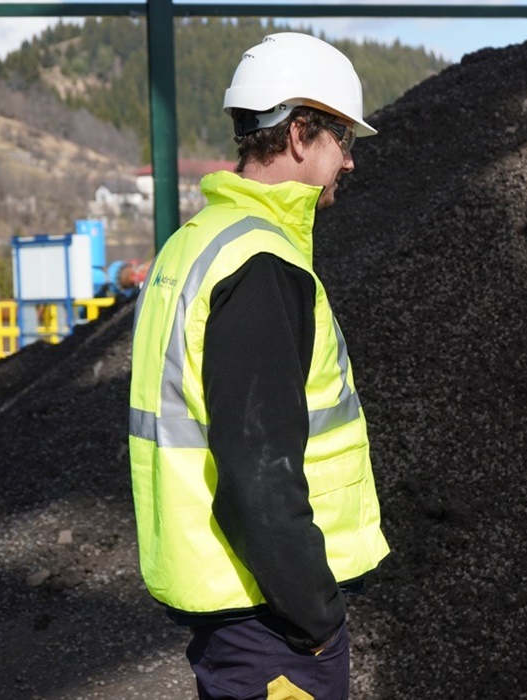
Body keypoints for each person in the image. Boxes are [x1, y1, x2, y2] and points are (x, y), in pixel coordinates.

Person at [128, 32, 389, 700]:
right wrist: (316, 617)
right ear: (299, 133)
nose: (350, 160)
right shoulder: (260, 266)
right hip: (272, 620)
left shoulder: (194, 243)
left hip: (237, 606)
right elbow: (258, 470)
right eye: (343, 139)